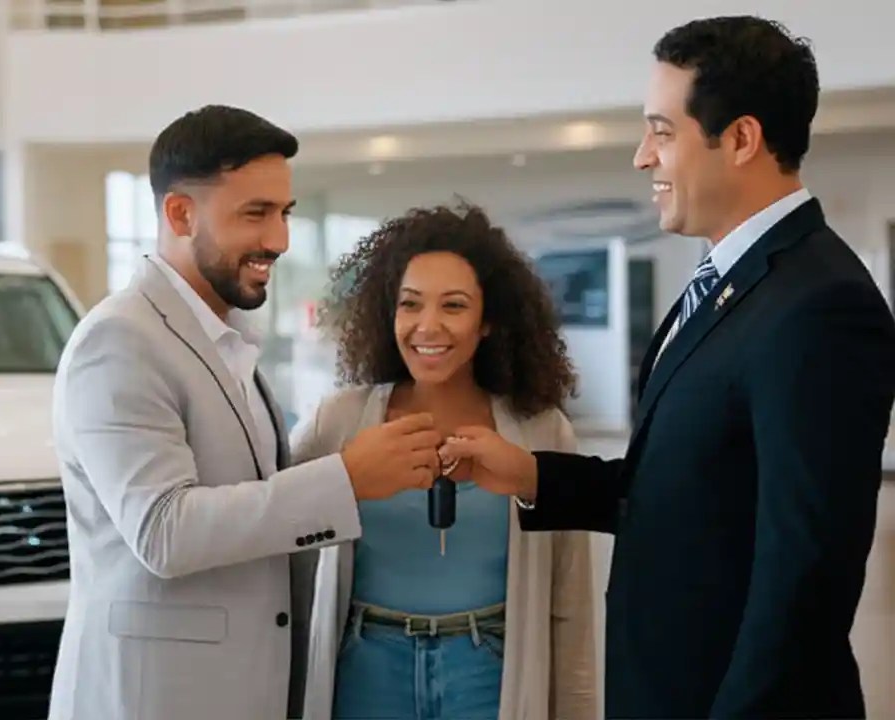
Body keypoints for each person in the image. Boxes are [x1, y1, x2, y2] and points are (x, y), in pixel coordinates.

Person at [442, 16, 895, 719]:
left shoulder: (819, 303)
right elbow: (688, 490)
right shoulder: (732, 282)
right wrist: (532, 474)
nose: (641, 157)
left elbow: (805, 574)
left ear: (740, 139)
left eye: (661, 130)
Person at [47, 105, 445, 720]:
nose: (279, 240)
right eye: (255, 214)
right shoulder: (119, 341)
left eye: (283, 213)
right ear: (180, 214)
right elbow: (163, 531)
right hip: (155, 698)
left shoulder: (221, 342)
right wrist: (348, 479)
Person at [291, 202, 599, 720]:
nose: (426, 326)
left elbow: (569, 605)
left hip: (487, 671)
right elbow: (276, 536)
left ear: (488, 323)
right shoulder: (337, 422)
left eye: (453, 306)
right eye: (410, 305)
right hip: (366, 670)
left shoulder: (542, 431)